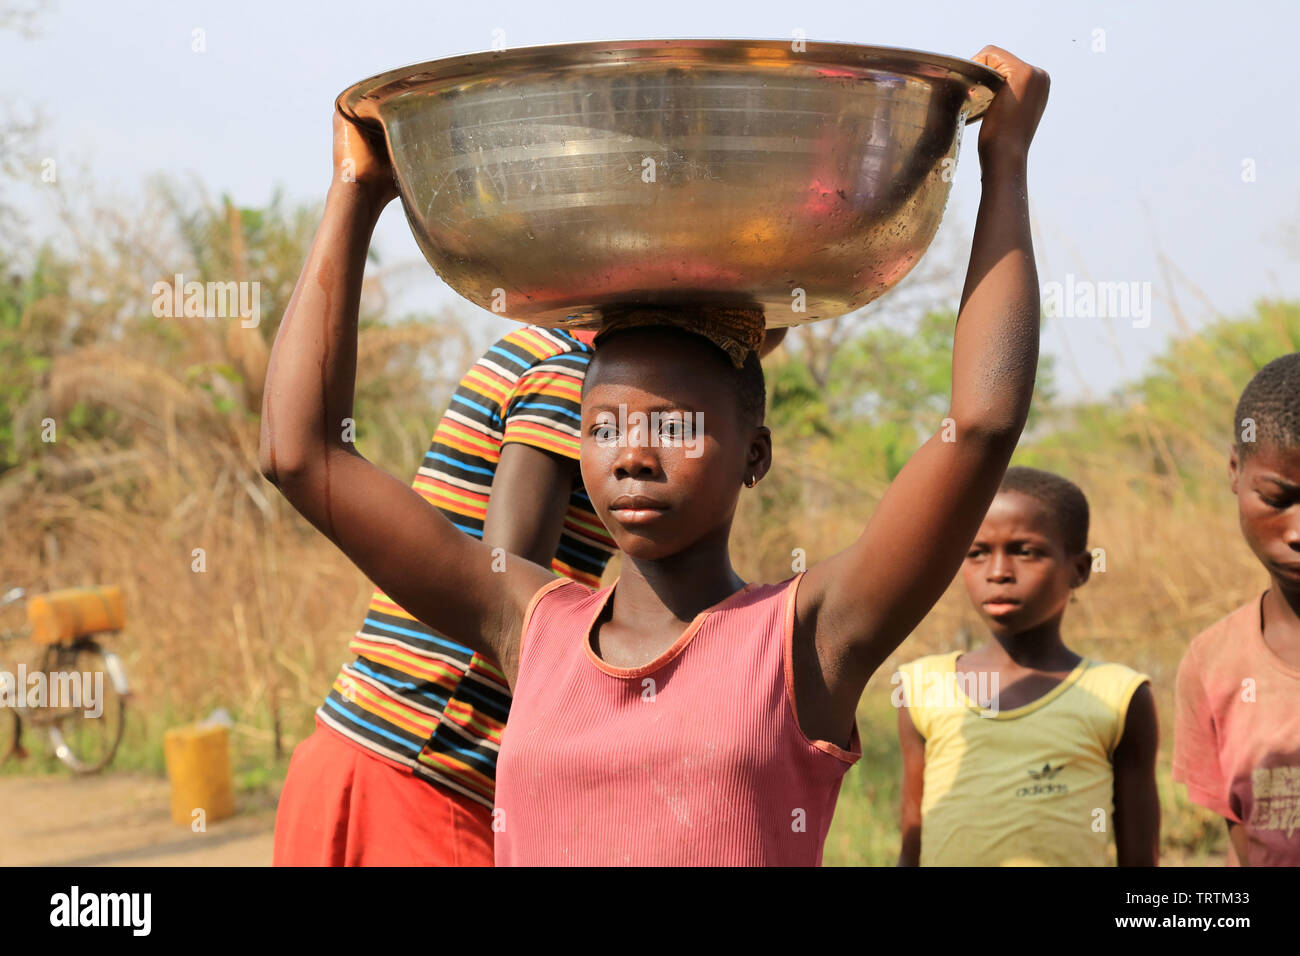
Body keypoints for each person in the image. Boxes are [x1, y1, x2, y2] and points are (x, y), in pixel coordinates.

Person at [259, 45, 1050, 865]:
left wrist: (1007, 166)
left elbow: (982, 425)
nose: (631, 456)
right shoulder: (529, 625)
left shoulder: (807, 638)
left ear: (755, 454)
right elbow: (301, 456)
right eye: (601, 429)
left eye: (672, 426)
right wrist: (355, 192)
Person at [271, 323, 616, 866]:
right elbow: (502, 596)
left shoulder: (545, 346)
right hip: (429, 773)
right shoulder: (578, 376)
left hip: (360, 749)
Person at [894, 467, 1160, 866]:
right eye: (977, 552)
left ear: (1080, 569)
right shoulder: (921, 687)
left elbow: (1139, 857)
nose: (998, 572)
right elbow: (912, 844)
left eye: (1026, 551)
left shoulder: (1118, 697)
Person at [1173, 353, 1300, 866]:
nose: (1298, 532)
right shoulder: (1212, 664)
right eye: (1276, 498)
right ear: (1235, 472)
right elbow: (1243, 840)